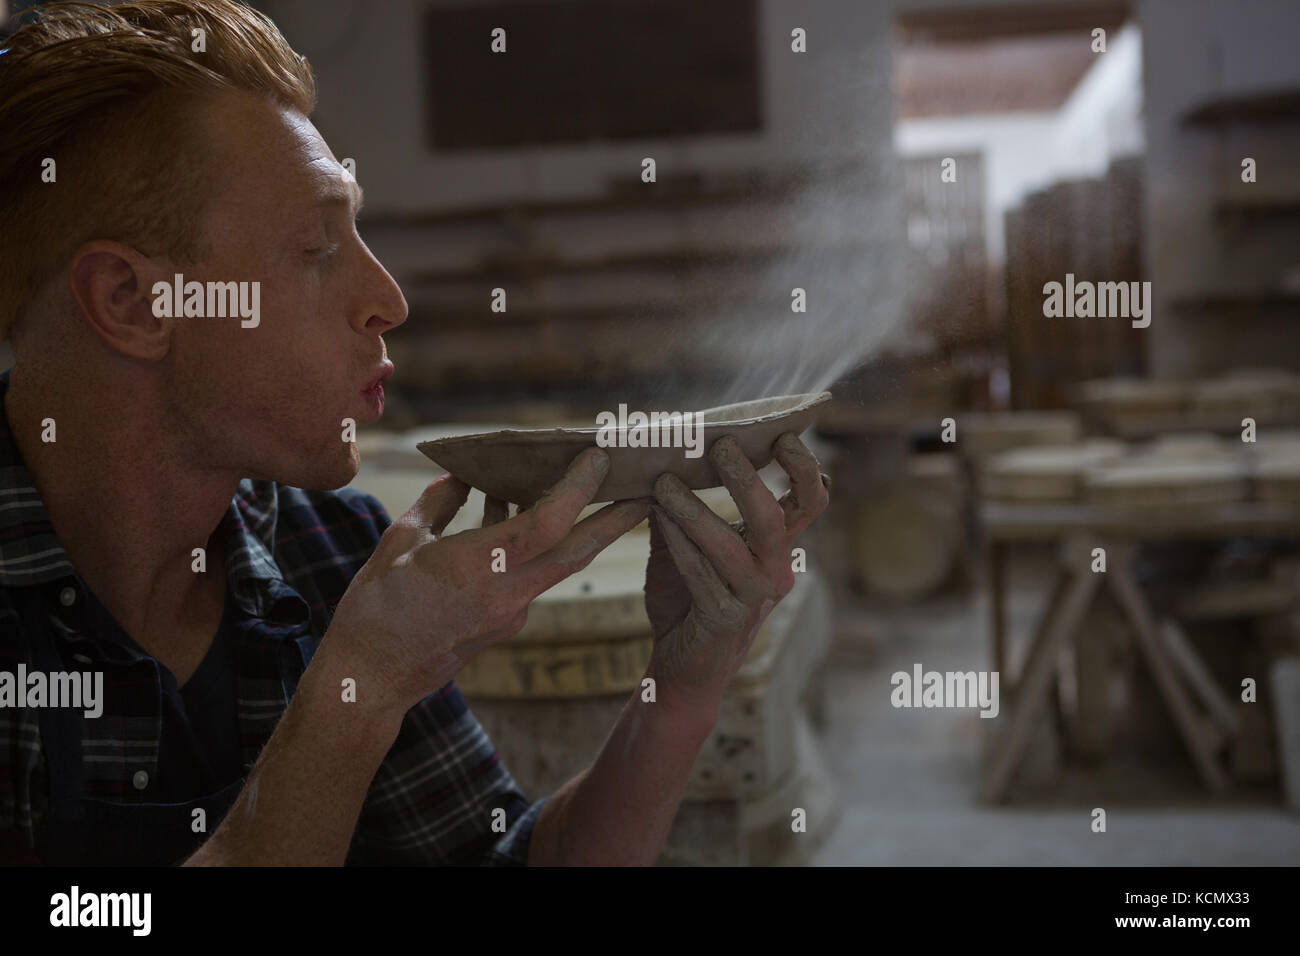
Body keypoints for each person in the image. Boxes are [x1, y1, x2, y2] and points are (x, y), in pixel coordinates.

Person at [0, 0, 829, 866]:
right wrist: (363, 691)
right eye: (318, 247)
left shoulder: (335, 552)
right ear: (134, 303)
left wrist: (684, 683)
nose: (389, 300)